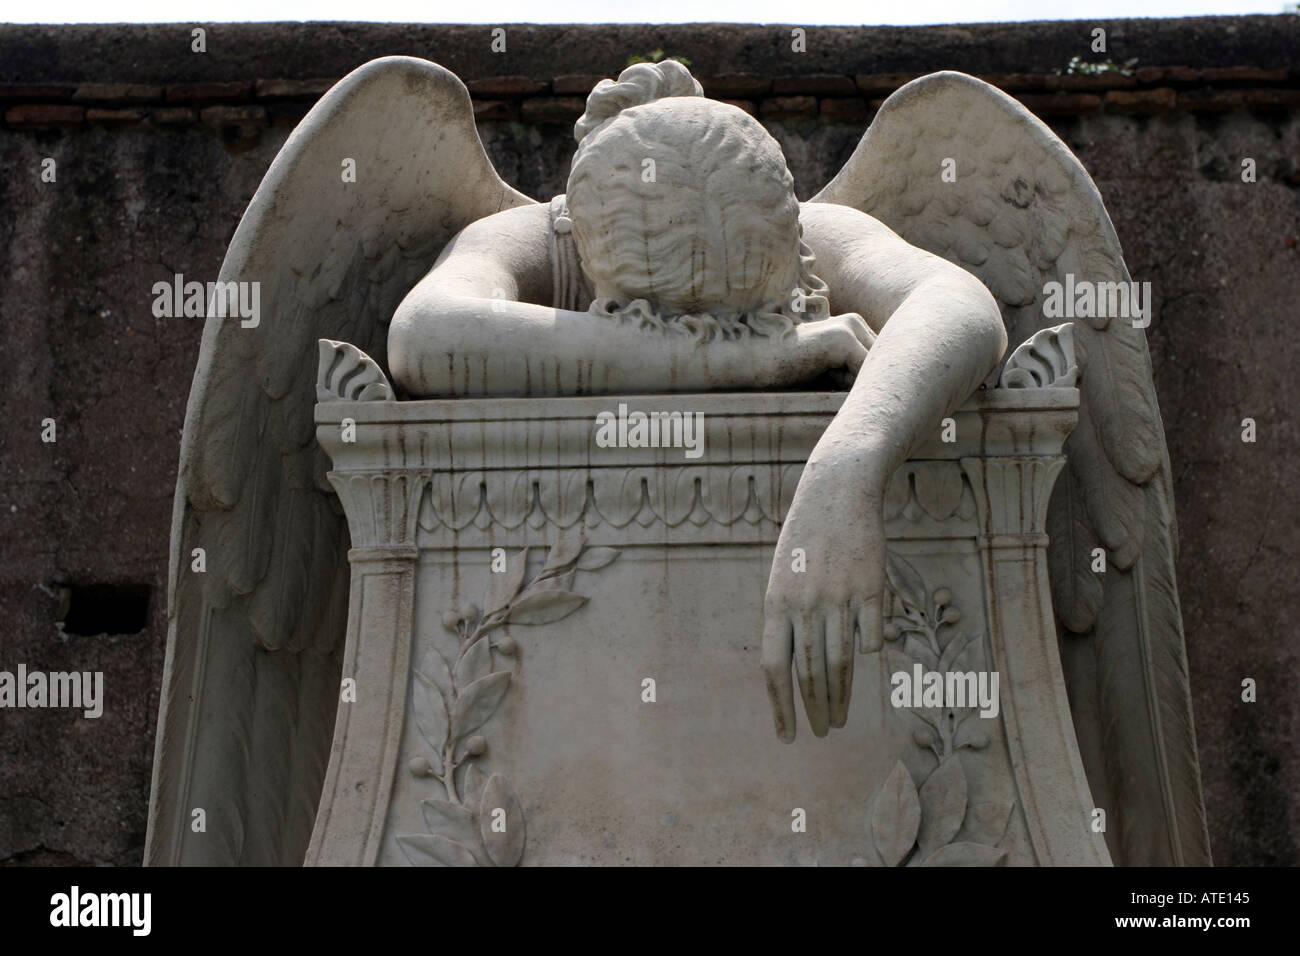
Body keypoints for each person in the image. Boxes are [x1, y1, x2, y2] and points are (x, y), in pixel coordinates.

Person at [388, 59, 1006, 744]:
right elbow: (424, 335)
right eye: (666, 324)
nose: (731, 335)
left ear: (791, 245)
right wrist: (748, 360)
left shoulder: (815, 231)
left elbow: (960, 305)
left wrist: (848, 468)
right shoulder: (535, 244)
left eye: (759, 314)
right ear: (592, 266)